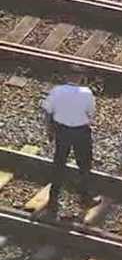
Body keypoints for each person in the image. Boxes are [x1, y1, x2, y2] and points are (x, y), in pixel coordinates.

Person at [42, 72, 97, 219]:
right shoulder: (86, 93)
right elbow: (91, 113)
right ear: (81, 78)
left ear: (66, 77)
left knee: (59, 164)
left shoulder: (57, 90)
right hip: (81, 132)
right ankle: (85, 198)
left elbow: (47, 111)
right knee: (84, 165)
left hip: (62, 131)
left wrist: (49, 130)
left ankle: (53, 201)